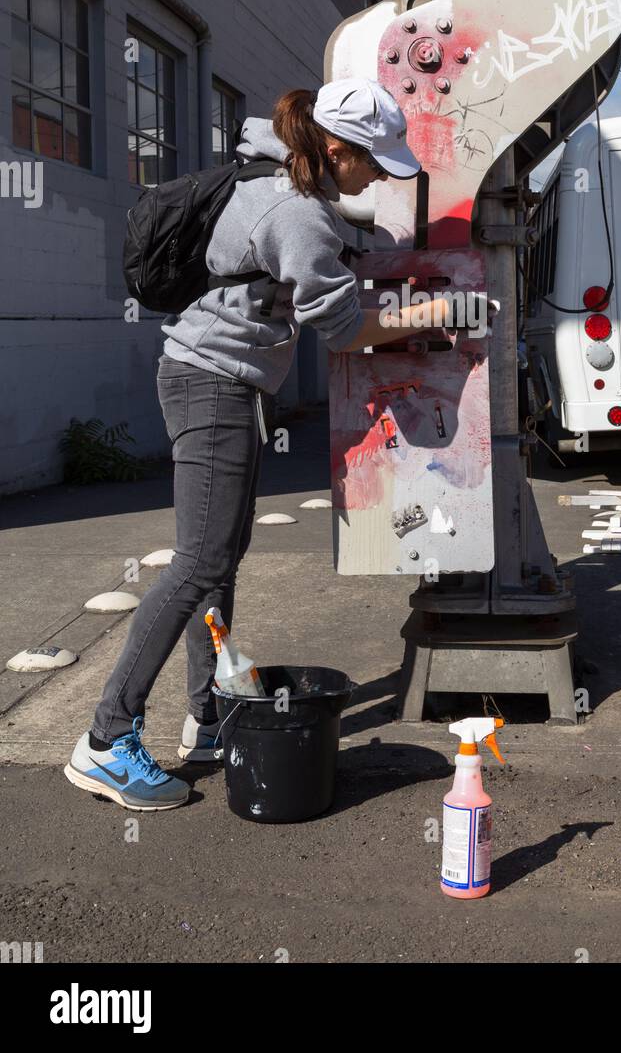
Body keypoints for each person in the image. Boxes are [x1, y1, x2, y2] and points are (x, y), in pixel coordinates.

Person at [64, 77, 452, 811]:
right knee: (198, 563)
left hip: (223, 383)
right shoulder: (295, 213)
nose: (376, 175)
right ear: (335, 149)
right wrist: (435, 311)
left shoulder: (280, 183)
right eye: (370, 161)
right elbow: (341, 334)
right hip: (210, 382)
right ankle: (106, 740)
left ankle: (207, 716)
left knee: (219, 562)